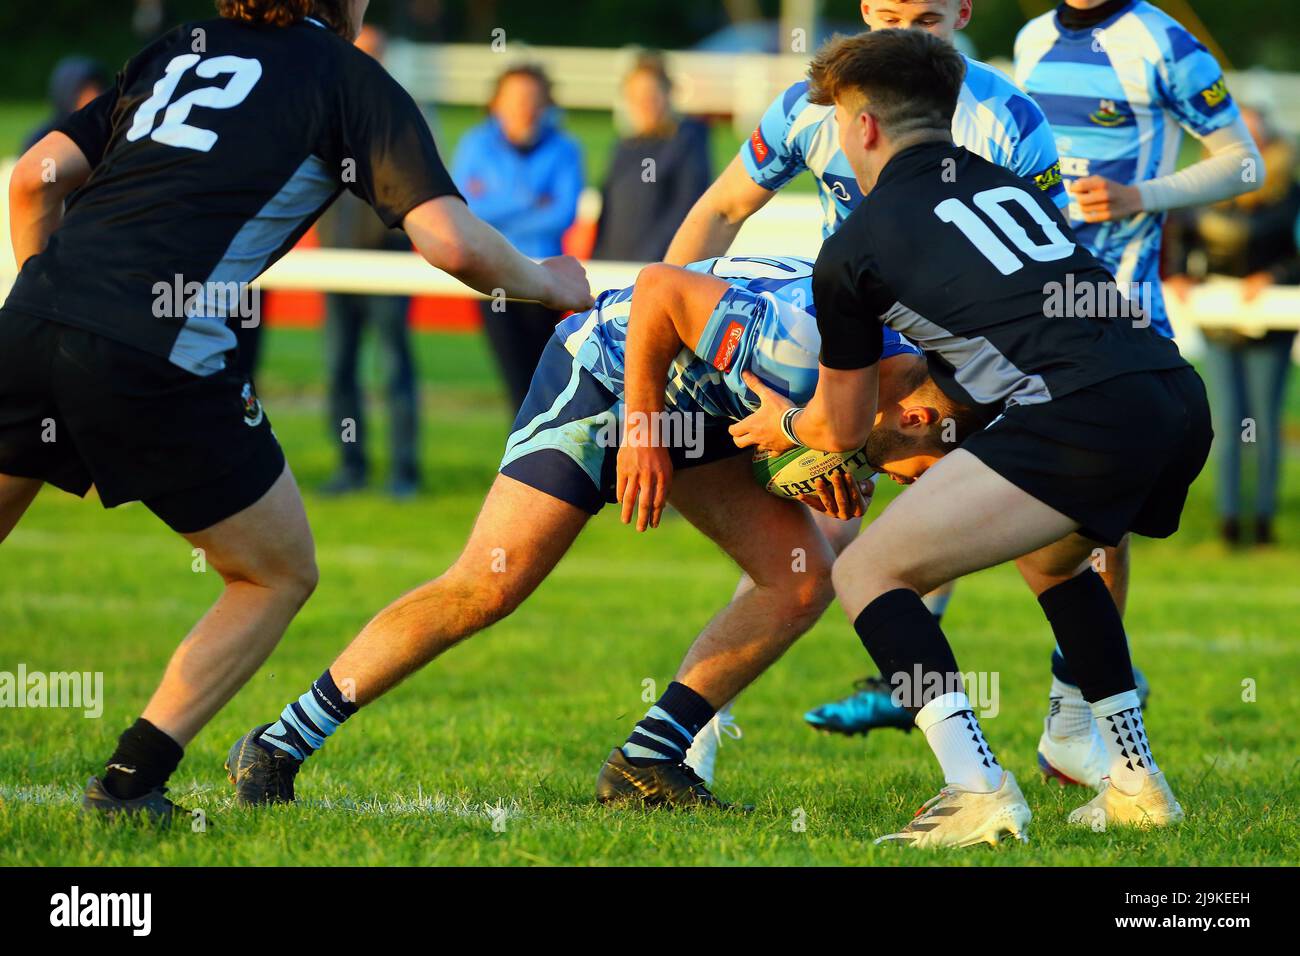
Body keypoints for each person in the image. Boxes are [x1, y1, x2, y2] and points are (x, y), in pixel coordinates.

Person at [0, 0, 591, 823]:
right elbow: (451, 243)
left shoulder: (180, 47)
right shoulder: (350, 80)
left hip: (28, 318)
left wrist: (49, 302)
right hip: (154, 344)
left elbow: (33, 178)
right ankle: (128, 788)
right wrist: (546, 280)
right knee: (275, 572)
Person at [223, 255, 982, 808]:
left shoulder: (880, 377)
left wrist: (817, 458)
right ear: (913, 415)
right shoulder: (801, 349)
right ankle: (279, 742)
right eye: (919, 468)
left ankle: (648, 761)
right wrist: (646, 427)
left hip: (694, 401)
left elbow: (781, 417)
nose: (905, 485)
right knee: (488, 585)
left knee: (800, 577)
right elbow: (659, 290)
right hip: (610, 371)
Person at [732, 30, 1210, 846]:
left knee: (873, 570)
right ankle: (1135, 778)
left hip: (1082, 410)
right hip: (1171, 394)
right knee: (1055, 561)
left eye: (841, 120)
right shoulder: (1000, 182)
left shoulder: (854, 245)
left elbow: (838, 426)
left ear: (866, 128)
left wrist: (776, 425)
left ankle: (977, 787)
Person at [662, 0, 1094, 788]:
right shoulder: (813, 104)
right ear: (864, 10)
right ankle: (699, 723)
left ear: (963, 12)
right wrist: (664, 337)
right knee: (813, 540)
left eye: (925, 17)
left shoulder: (1008, 120)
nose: (902, 35)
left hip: (966, 363)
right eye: (888, 14)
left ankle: (1073, 722)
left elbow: (1043, 265)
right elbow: (724, 206)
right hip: (859, 348)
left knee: (1062, 533)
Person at [1014, 0, 1262, 775]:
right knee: (973, 483)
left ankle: (1074, 711)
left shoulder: (1163, 42)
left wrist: (1139, 198)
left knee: (1102, 519)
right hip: (1026, 311)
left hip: (1121, 313)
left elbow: (1244, 162)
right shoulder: (1028, 42)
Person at [1165, 106, 1300, 547]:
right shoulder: (1207, 186)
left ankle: (1262, 520)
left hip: (1270, 320)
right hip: (1219, 316)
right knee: (1227, 421)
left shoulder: (1288, 192)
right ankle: (1227, 520)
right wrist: (1183, 273)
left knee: (1262, 422)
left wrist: (1272, 278)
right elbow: (1181, 234)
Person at [317, 25, 422, 498]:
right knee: (339, 368)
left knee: (394, 365)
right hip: (337, 260)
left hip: (386, 258)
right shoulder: (323, 110)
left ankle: (403, 471)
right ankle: (351, 466)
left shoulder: (400, 112)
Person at [451, 64, 584, 411]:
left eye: (532, 98)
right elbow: (465, 211)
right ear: (496, 102)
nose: (524, 106)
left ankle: (539, 460)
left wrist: (497, 207)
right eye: (515, 98)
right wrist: (528, 200)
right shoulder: (475, 144)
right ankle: (522, 461)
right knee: (515, 383)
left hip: (545, 278)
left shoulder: (565, 148)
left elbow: (561, 216)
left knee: (542, 383)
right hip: (492, 275)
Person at [591, 53, 711, 262]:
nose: (644, 103)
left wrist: (649, 262)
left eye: (652, 94)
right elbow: (607, 213)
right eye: (636, 96)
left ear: (668, 93)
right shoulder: (624, 147)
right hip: (612, 267)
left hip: (658, 268)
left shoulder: (686, 142)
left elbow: (686, 211)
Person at [22, 56, 110, 153]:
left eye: (97, 89)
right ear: (65, 94)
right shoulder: (41, 141)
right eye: (84, 91)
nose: (94, 96)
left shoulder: (110, 135)